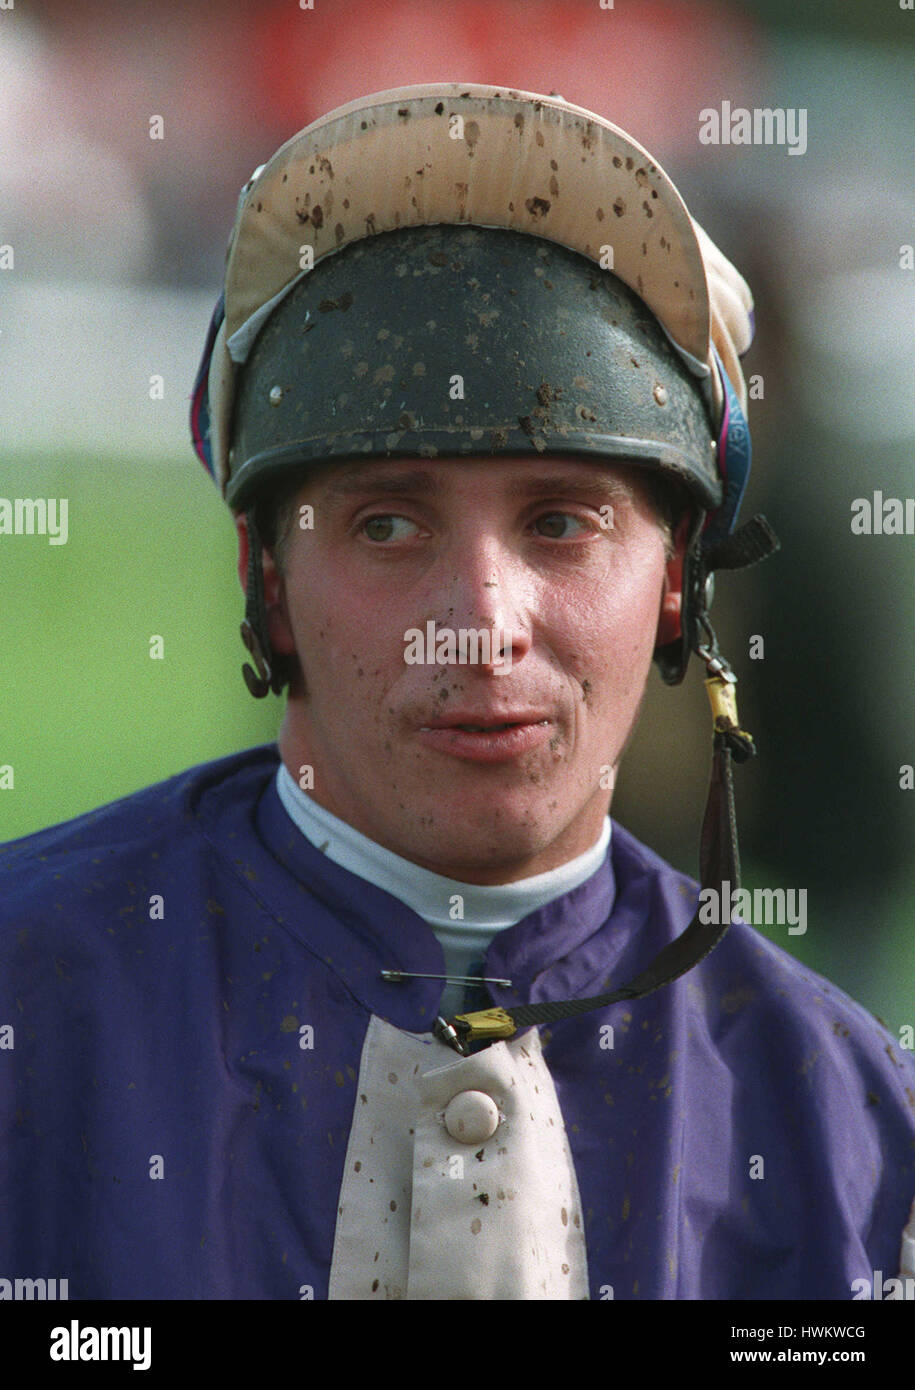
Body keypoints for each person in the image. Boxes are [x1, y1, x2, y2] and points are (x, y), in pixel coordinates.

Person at [2, 83, 914, 1302]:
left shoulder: (855, 1138)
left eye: (560, 522)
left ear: (676, 583)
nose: (479, 627)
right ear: (265, 582)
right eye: (386, 523)